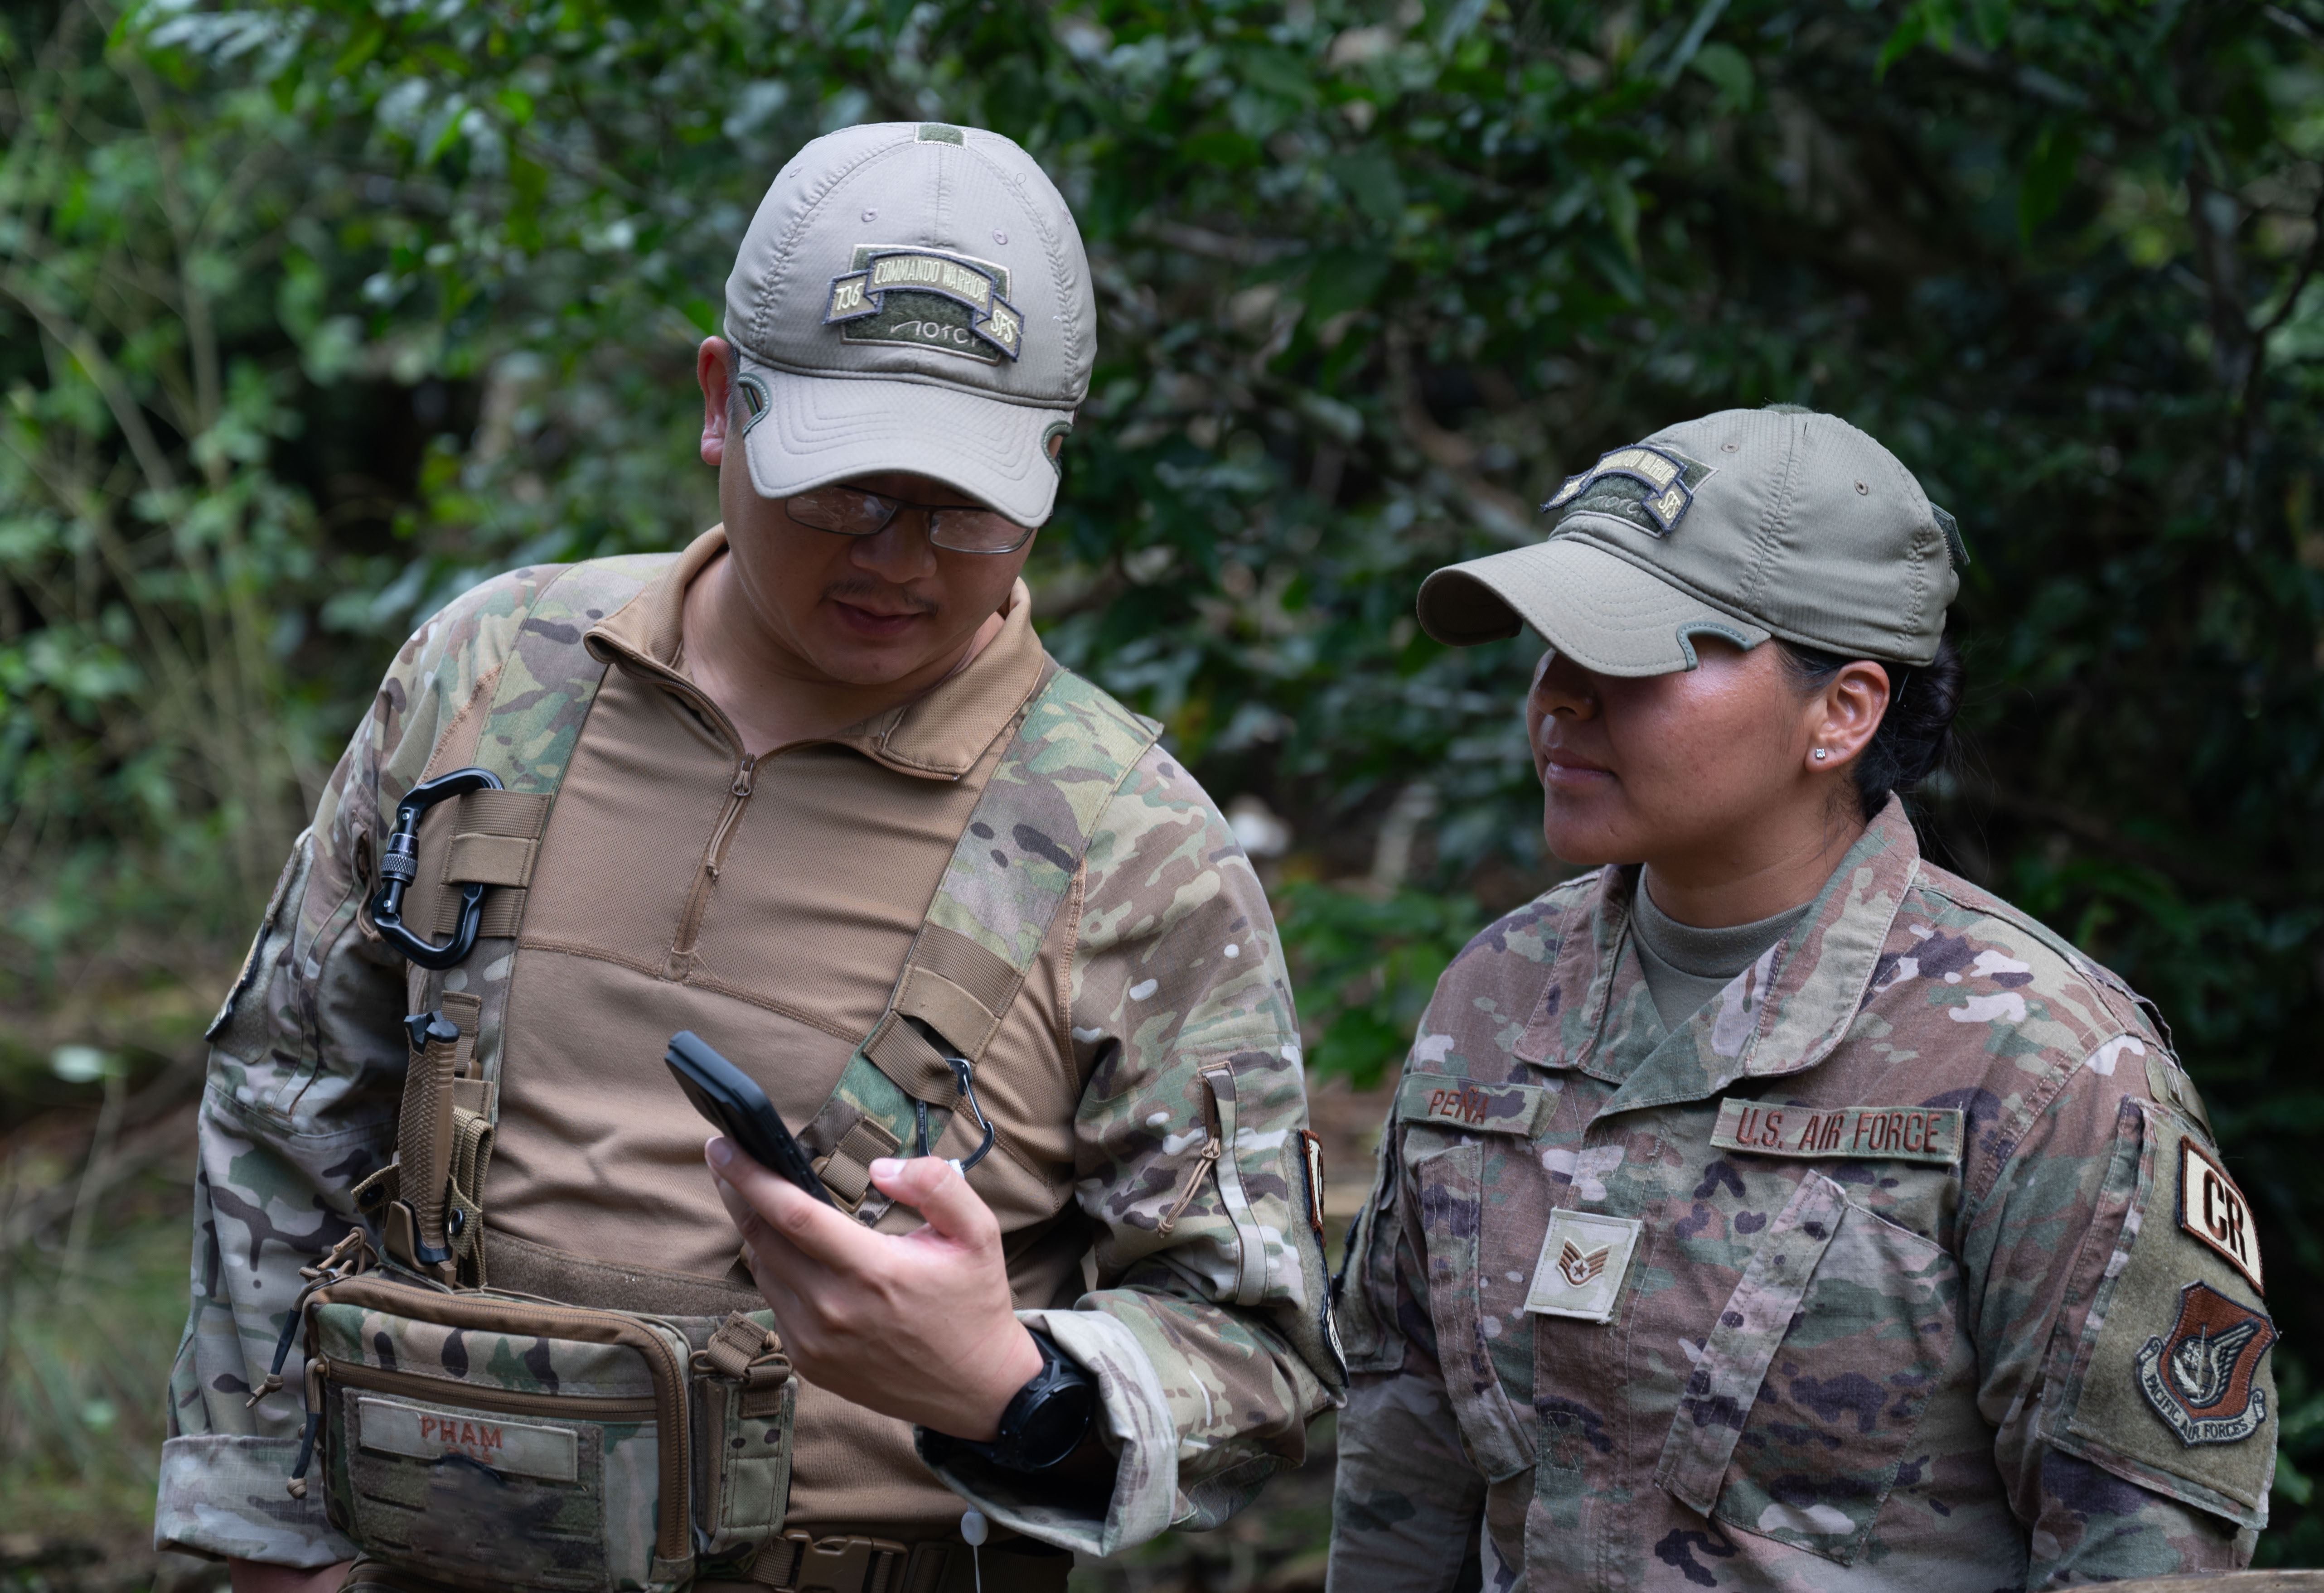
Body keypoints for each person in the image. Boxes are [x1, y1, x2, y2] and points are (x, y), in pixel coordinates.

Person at [156, 122, 1340, 1593]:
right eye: (847, 486)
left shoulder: (1134, 847)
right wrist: (260, 1540)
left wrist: (1012, 1385)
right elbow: (289, 1104)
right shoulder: (490, 677)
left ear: (1052, 463)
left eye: (964, 504)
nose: (900, 558)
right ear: (724, 401)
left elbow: (1261, 1346)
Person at [1327, 406, 2275, 1590]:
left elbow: (2141, 1565)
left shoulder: (2042, 1066)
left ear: (1844, 710)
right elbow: (1400, 1499)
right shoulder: (1497, 998)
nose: (1561, 694)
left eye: (1632, 652)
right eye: (1550, 646)